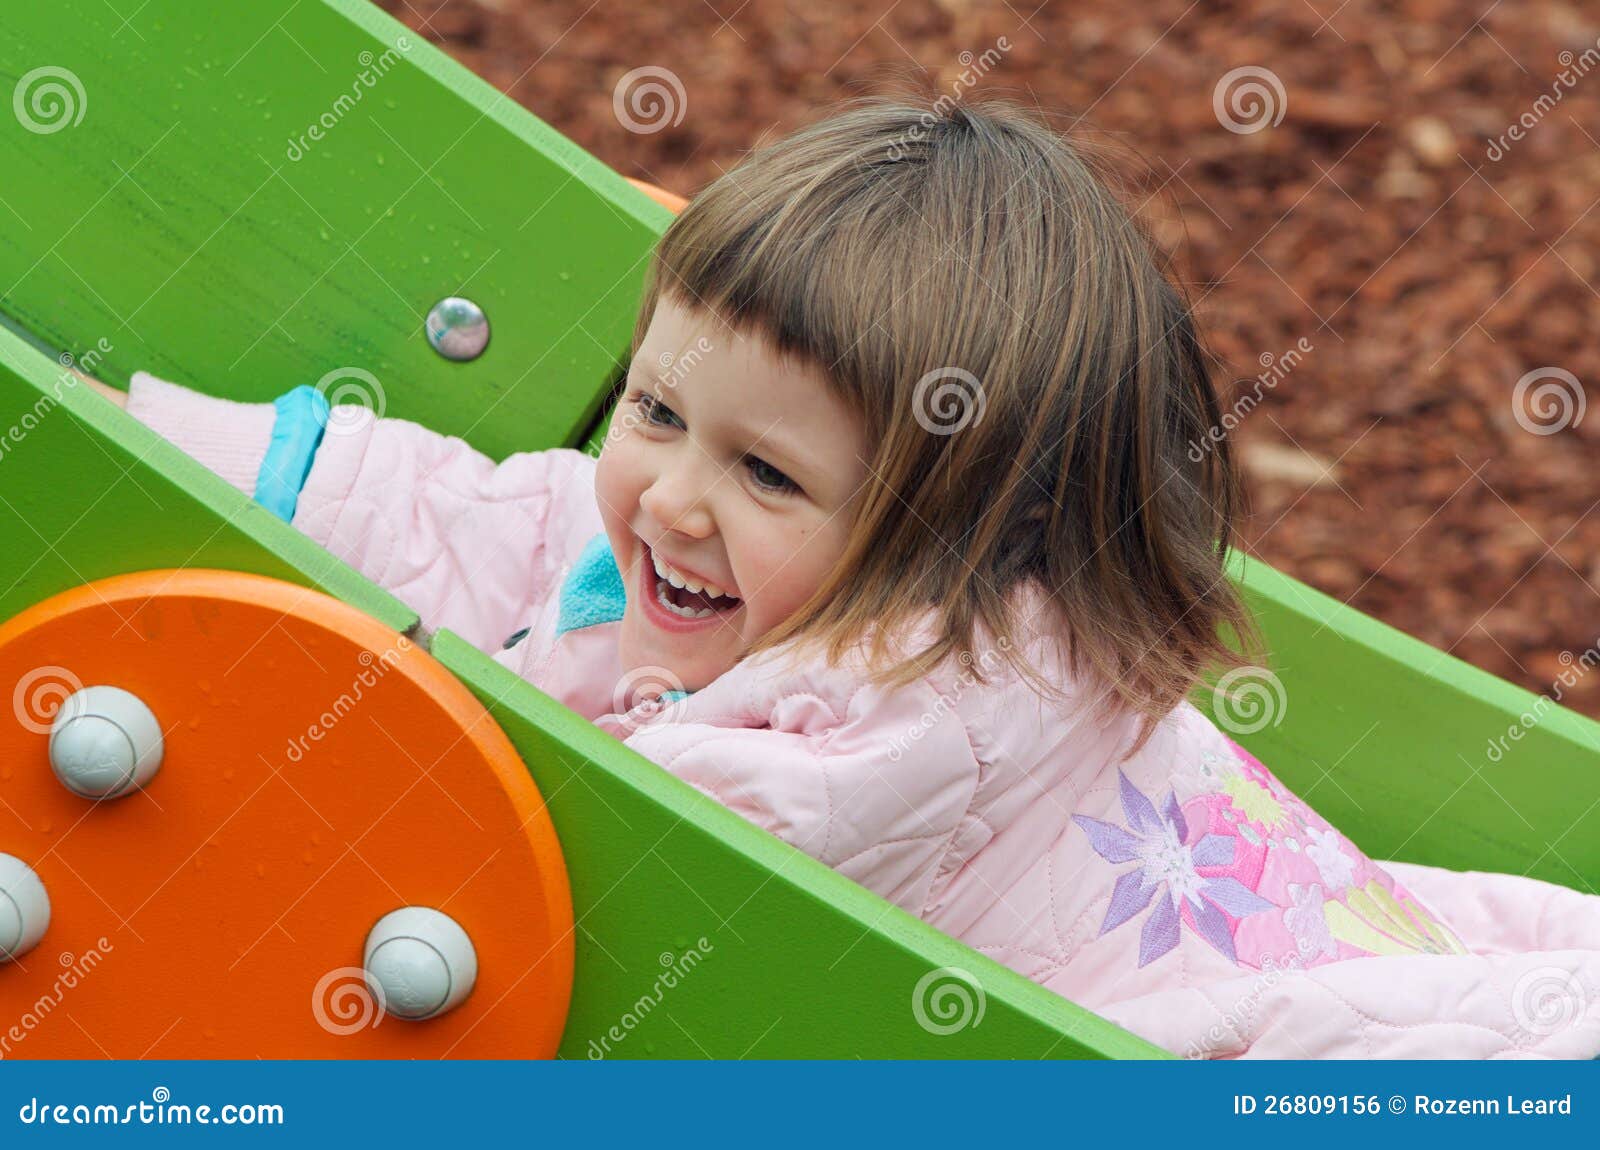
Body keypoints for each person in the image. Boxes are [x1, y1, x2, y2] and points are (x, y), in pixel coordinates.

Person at [83, 95, 1600, 1058]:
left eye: (766, 474)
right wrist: (153, 444)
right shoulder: (748, 562)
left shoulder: (866, 741)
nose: (671, 493)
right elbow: (502, 525)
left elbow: (583, 838)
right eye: (657, 409)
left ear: (952, 533)